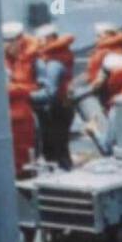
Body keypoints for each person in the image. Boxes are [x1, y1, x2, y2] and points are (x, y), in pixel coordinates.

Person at [30, 22, 74, 169]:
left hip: (57, 109)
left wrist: (28, 97)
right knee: (60, 147)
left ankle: (65, 176)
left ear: (50, 38)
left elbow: (51, 93)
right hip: (64, 105)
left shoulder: (54, 63)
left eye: (41, 39)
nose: (39, 43)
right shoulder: (61, 55)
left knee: (56, 149)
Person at [2, 20, 38, 175]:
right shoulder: (2, 62)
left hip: (20, 115)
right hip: (11, 116)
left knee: (24, 153)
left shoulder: (26, 59)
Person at [86, 22, 122, 89]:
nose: (96, 39)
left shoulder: (114, 51)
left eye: (99, 35)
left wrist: (97, 84)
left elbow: (107, 71)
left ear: (109, 34)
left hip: (106, 88)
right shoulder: (103, 49)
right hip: (97, 85)